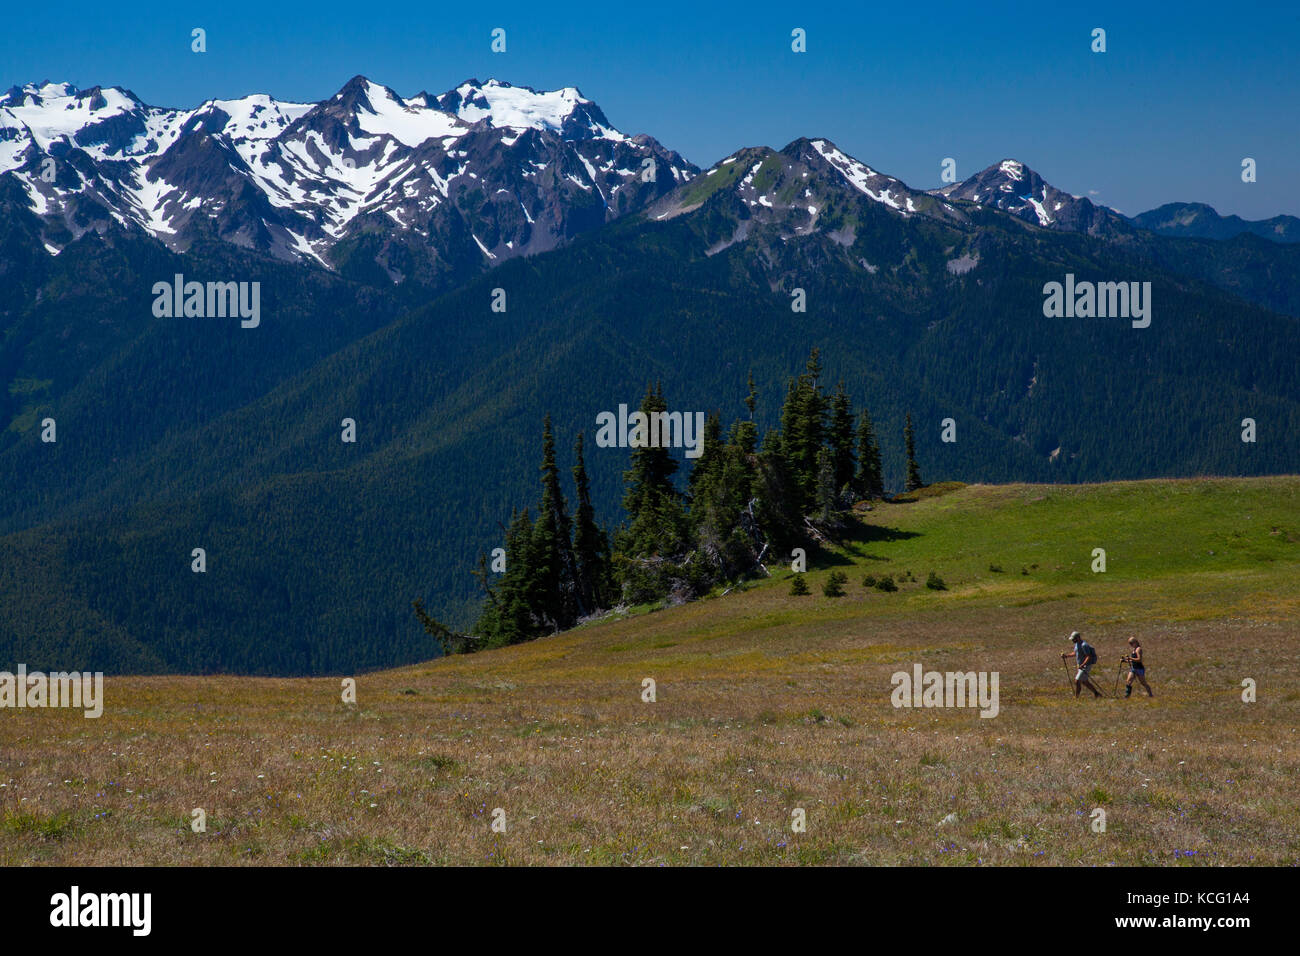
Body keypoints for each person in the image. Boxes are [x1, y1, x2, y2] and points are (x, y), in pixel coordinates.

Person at [1061, 630, 1102, 698]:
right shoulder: (1077, 644)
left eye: (1073, 639)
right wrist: (1066, 656)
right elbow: (1075, 653)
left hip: (1086, 666)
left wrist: (1083, 664)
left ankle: (1076, 697)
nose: (1072, 640)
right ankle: (1097, 694)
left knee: (1077, 681)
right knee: (1084, 682)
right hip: (1081, 666)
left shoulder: (1084, 645)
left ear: (1078, 638)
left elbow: (1088, 656)